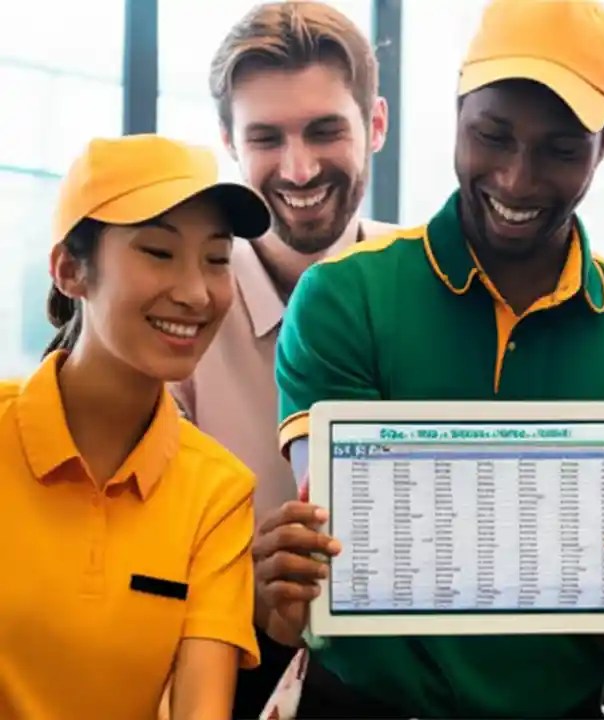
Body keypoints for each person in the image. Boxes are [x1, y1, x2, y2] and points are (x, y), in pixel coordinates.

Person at [252, 0, 604, 717]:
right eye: (492, 135)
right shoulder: (342, 299)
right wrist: (287, 590)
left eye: (560, 149)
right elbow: (348, 563)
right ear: (457, 110)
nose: (517, 180)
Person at [170, 2, 397, 714]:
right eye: (267, 138)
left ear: (377, 125)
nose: (299, 169)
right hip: (223, 673)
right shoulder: (174, 317)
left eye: (325, 130)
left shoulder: (437, 288)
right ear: (229, 144)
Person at [0, 134, 269, 720]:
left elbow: (203, 707)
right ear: (71, 270)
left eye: (217, 260)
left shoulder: (219, 492)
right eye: (157, 251)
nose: (196, 292)